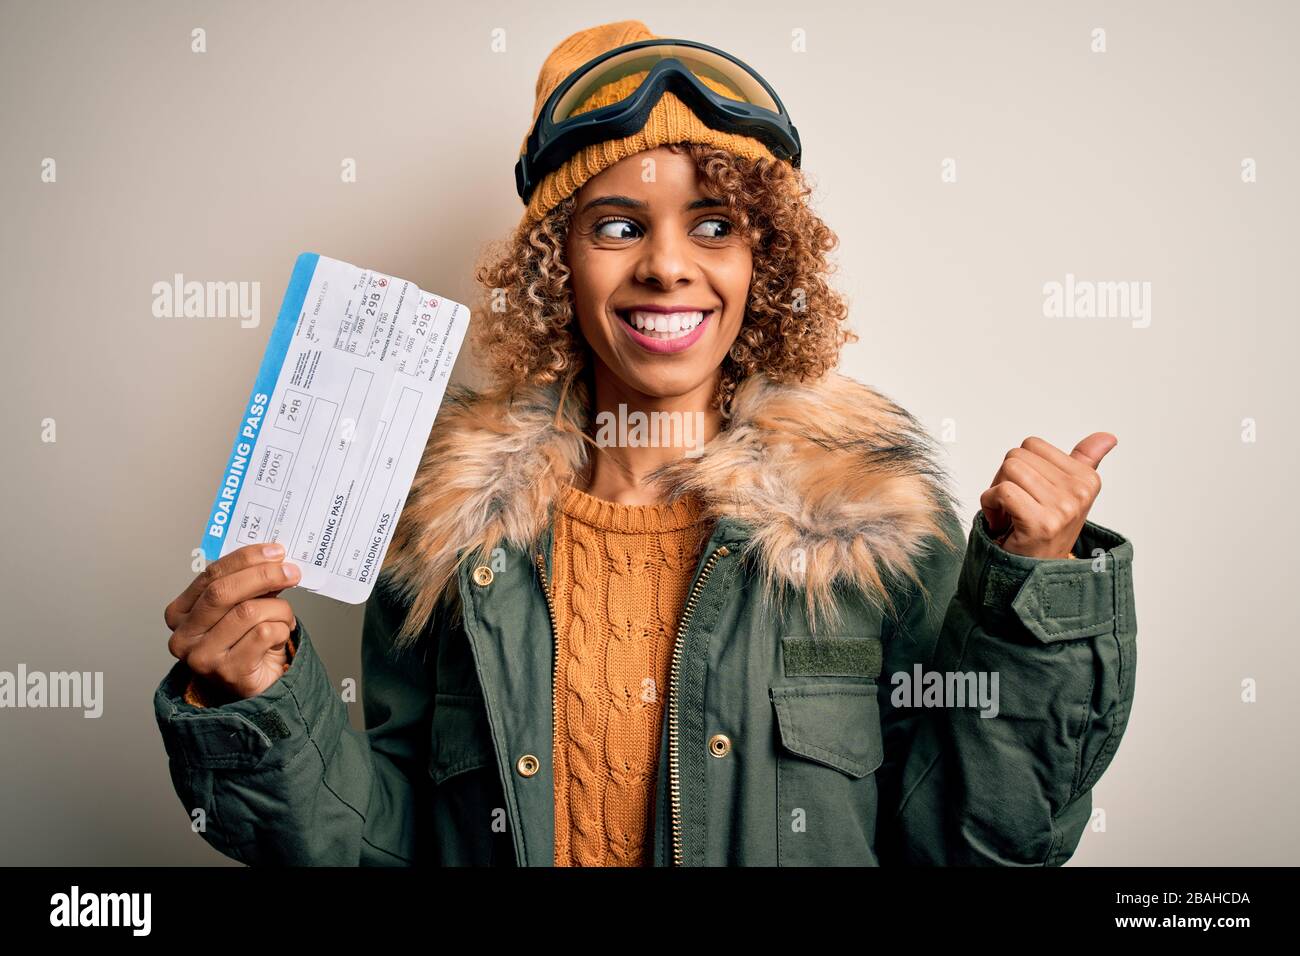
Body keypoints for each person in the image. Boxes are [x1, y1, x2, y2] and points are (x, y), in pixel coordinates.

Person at [154, 20, 1137, 867]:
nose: (667, 266)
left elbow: (966, 841)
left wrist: (1028, 599)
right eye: (617, 225)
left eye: (713, 224)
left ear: (766, 257)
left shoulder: (870, 527)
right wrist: (260, 703)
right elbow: (392, 842)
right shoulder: (443, 541)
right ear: (555, 265)